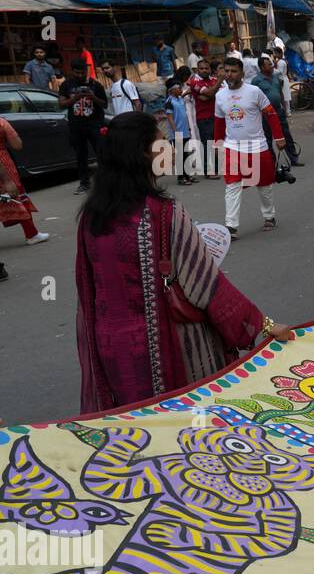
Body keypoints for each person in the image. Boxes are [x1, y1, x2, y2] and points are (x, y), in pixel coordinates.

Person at [75, 112, 295, 414]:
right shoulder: (163, 213)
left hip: (111, 347)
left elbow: (89, 287)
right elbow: (205, 287)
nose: (171, 149)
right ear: (142, 153)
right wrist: (263, 324)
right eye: (162, 142)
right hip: (167, 349)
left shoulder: (91, 217)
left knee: (133, 427)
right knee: (177, 430)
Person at [215, 56, 285, 237]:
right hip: (232, 148)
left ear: (242, 73)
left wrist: (279, 136)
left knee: (264, 185)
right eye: (226, 71)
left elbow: (271, 114)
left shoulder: (254, 92)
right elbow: (219, 123)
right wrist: (217, 145)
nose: (229, 75)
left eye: (233, 71)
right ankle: (231, 226)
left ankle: (269, 216)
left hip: (257, 147)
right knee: (232, 185)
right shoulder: (220, 96)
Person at [0, 115, 51, 278]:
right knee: (16, 197)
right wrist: (7, 179)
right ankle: (32, 234)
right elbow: (17, 145)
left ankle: (32, 233)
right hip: (3, 163)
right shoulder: (2, 122)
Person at [58, 59, 108, 195]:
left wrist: (93, 98)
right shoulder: (66, 85)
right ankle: (84, 183)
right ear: (72, 71)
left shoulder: (96, 85)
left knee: (101, 154)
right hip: (76, 126)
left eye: (82, 72)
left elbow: (104, 104)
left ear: (86, 71)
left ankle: (106, 182)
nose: (80, 75)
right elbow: (61, 104)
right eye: (77, 72)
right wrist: (75, 98)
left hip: (94, 124)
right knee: (81, 156)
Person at [251, 55, 301, 167]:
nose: (272, 66)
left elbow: (280, 92)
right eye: (269, 65)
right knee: (267, 138)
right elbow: (253, 99)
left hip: (278, 111)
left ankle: (293, 158)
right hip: (264, 114)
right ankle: (272, 162)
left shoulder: (276, 77)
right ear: (262, 67)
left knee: (286, 135)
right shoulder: (256, 81)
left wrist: (284, 107)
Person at [187, 57, 220, 180]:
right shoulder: (195, 81)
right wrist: (212, 92)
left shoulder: (214, 80)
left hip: (216, 116)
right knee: (208, 144)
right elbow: (211, 94)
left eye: (207, 68)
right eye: (201, 68)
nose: (204, 70)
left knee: (216, 143)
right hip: (204, 118)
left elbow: (213, 94)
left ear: (210, 69)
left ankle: (216, 168)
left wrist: (210, 93)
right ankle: (208, 170)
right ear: (197, 69)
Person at [164, 81, 196, 186]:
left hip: (185, 131)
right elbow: (170, 118)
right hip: (177, 133)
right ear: (171, 90)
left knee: (186, 154)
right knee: (180, 156)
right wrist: (176, 131)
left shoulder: (180, 99)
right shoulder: (169, 102)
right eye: (178, 88)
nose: (180, 89)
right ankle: (181, 178)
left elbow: (184, 116)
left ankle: (187, 175)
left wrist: (189, 130)